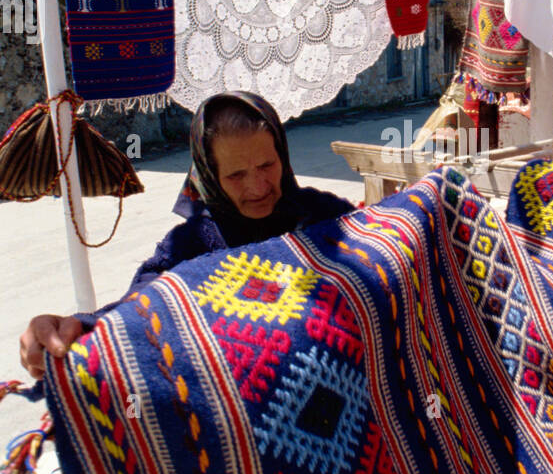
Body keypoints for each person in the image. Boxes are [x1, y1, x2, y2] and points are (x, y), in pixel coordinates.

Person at [20, 91, 356, 380]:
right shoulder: (190, 246)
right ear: (209, 176)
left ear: (282, 155)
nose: (257, 187)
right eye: (236, 174)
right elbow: (139, 306)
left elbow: (378, 253)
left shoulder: (323, 216)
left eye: (267, 166)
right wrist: (79, 328)